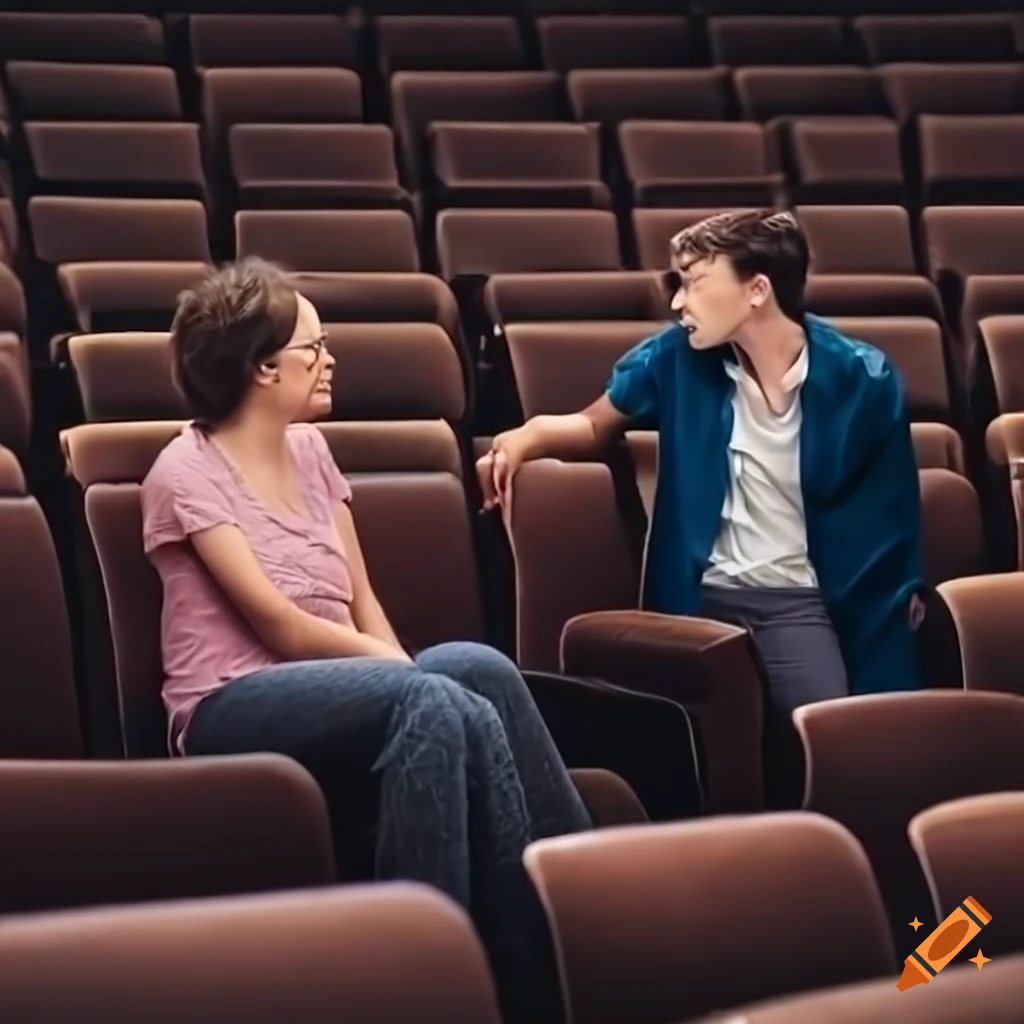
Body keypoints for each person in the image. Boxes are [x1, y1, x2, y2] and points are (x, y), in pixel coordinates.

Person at [140, 257, 590, 1023]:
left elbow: (358, 597)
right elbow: (276, 622)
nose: (330, 360)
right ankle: (433, 980)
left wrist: (404, 667)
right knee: (430, 697)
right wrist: (405, 675)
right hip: (232, 700)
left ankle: (581, 909)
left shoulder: (311, 449)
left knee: (475, 668)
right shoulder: (184, 469)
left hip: (342, 680)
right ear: (260, 367)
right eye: (313, 349)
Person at [479, 209, 926, 802]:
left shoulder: (863, 379)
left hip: (797, 604)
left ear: (757, 289)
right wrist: (525, 436)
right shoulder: (676, 357)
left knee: (834, 750)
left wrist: (905, 590)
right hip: (698, 604)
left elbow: (892, 508)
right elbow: (594, 425)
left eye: (694, 281)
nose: (679, 302)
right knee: (687, 757)